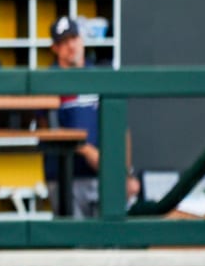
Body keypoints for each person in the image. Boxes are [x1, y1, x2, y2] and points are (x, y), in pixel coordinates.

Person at [42, 16, 139, 219]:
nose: (71, 46)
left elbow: (121, 129)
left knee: (108, 245)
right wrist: (86, 150)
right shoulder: (48, 80)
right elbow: (47, 129)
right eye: (64, 42)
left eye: (74, 38)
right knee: (73, 244)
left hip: (103, 176)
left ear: (82, 39)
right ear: (55, 48)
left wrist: (126, 174)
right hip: (65, 177)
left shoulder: (100, 75)